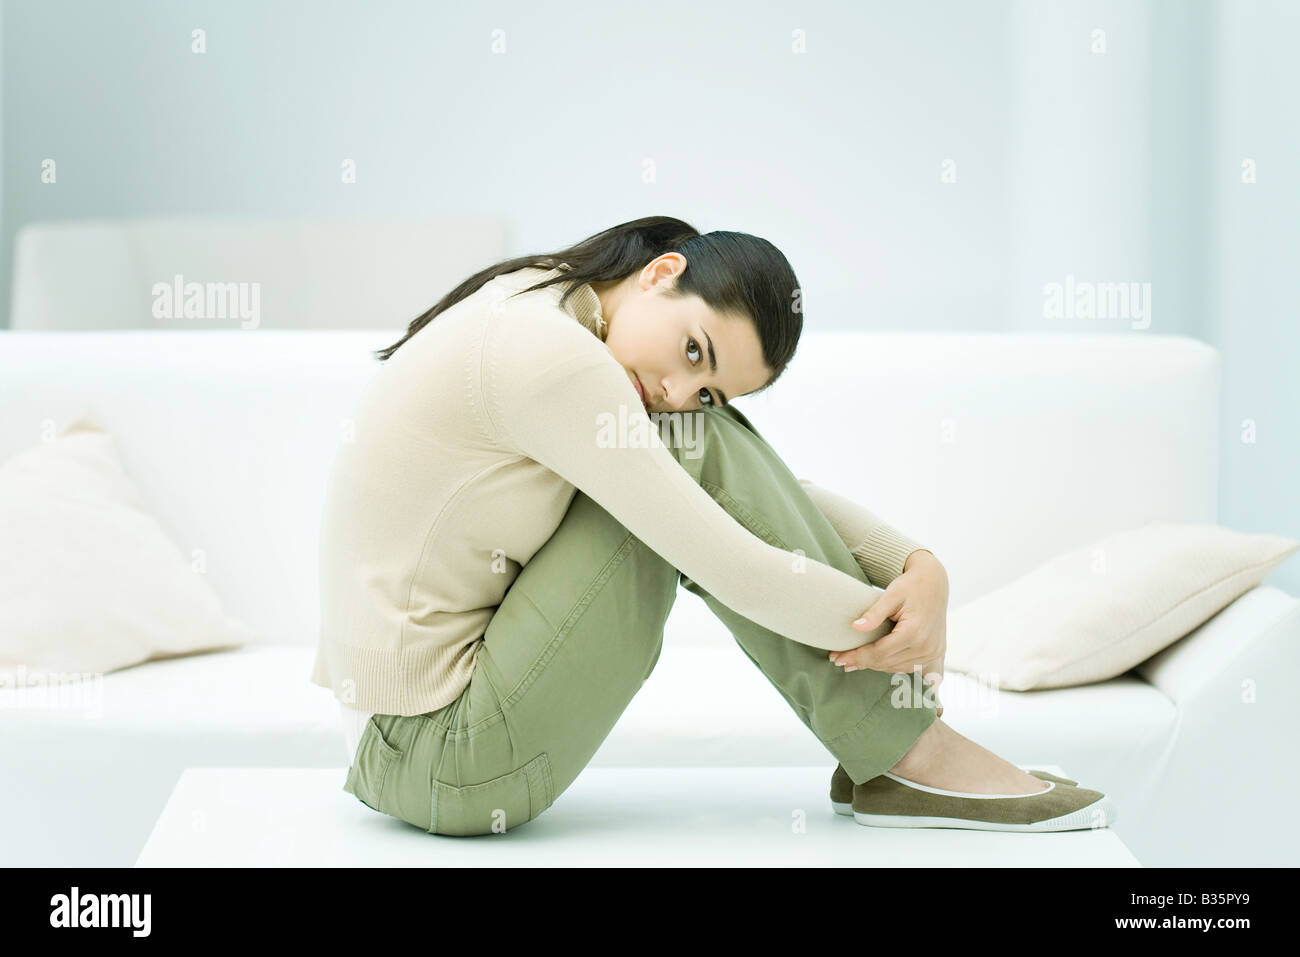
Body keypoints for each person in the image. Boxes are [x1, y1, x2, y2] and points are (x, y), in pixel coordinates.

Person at [311, 215, 1114, 835]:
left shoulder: (553, 299)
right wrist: (900, 633)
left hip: (411, 745)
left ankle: (898, 750)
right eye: (693, 351)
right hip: (442, 759)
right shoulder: (556, 358)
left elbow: (749, 490)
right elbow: (735, 562)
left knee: (686, 444)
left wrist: (917, 564)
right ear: (664, 272)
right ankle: (908, 752)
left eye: (708, 388)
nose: (675, 387)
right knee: (682, 454)